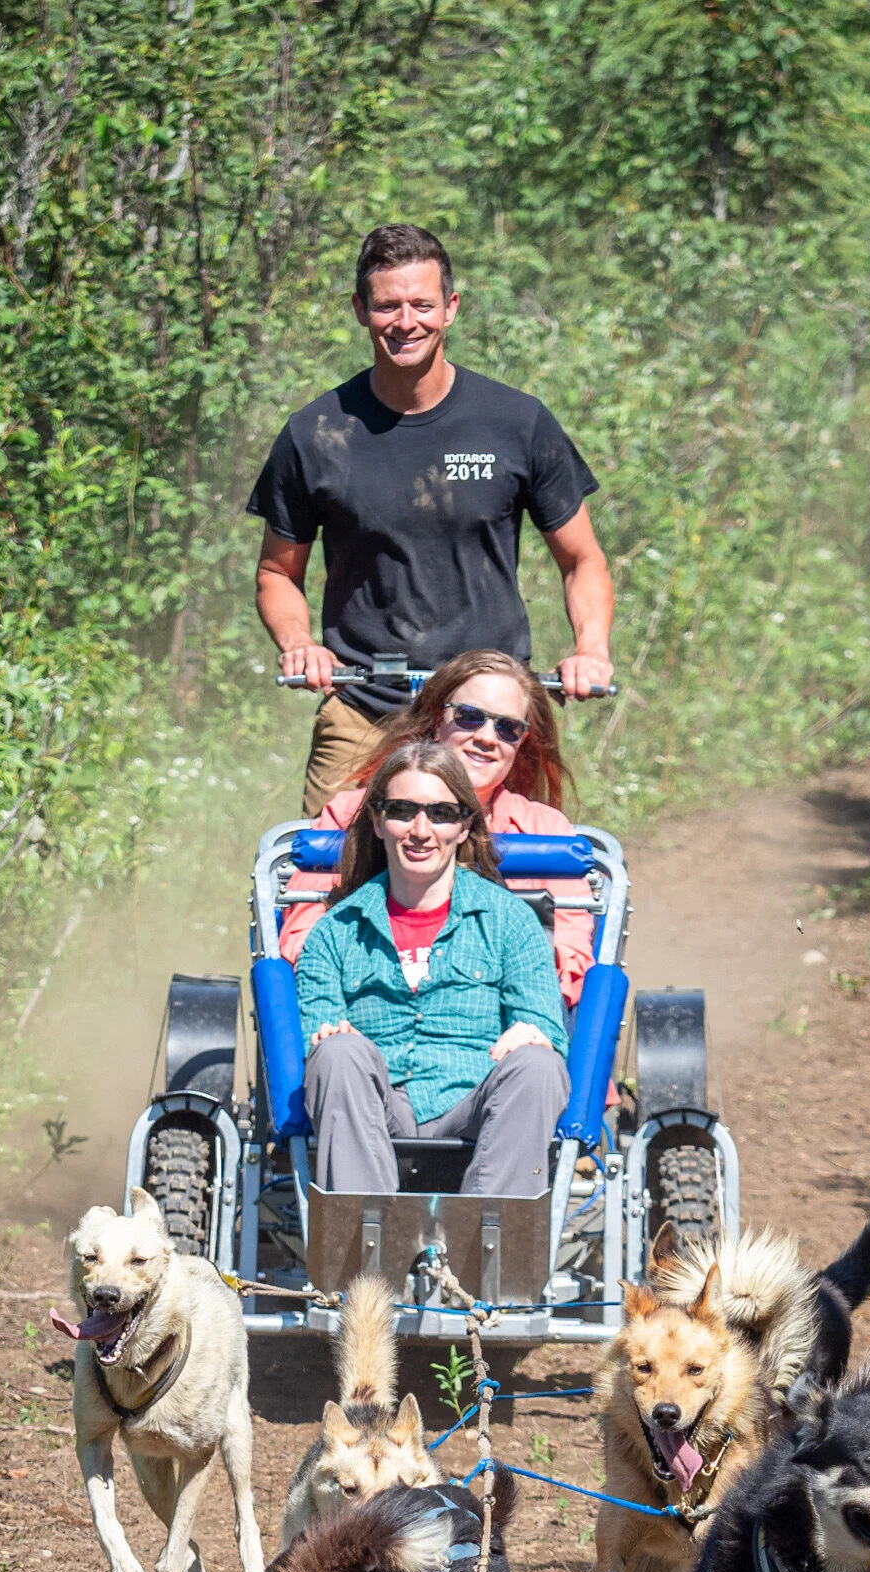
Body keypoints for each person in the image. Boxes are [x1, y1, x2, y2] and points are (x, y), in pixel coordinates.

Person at [250, 221, 615, 812]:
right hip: (365, 705)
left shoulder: (516, 423)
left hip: (491, 714)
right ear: (360, 310)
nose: (405, 321)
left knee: (518, 874)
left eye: (422, 304)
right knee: (320, 876)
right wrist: (300, 644)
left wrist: (591, 648)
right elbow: (277, 572)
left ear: (450, 308)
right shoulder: (315, 433)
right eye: (388, 306)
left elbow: (582, 560)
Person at [296, 742, 569, 1198]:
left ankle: (492, 1252)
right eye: (404, 810)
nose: (421, 830)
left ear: (464, 826)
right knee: (336, 1054)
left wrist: (533, 1033)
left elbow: (547, 1028)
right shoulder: (334, 931)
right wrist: (328, 1037)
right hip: (376, 1107)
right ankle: (366, 1256)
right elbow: (315, 1033)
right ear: (380, 822)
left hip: (476, 1101)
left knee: (539, 1064)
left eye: (442, 813)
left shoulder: (510, 920)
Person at [279, 649, 596, 1002]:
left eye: (508, 728)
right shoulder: (351, 813)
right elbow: (301, 939)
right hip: (367, 1003)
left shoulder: (545, 831)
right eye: (470, 717)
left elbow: (572, 961)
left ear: (522, 741)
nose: (488, 738)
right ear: (435, 719)